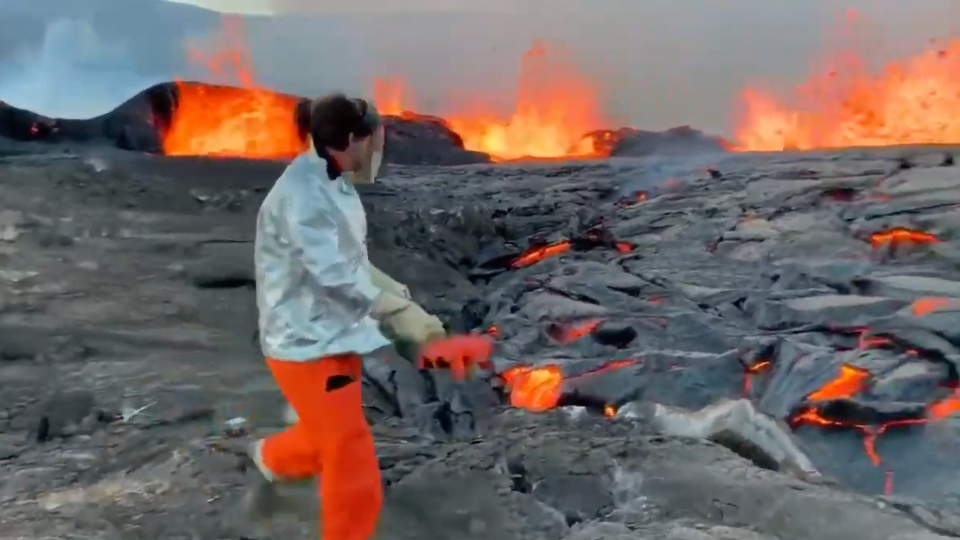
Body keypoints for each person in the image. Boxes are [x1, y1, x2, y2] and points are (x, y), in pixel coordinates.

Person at [245, 93, 491, 540]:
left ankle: (272, 458)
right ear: (353, 140)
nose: (379, 149)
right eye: (375, 140)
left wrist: (398, 296)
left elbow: (350, 261)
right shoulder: (304, 199)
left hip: (333, 333)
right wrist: (401, 314)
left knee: (326, 435)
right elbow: (334, 277)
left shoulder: (331, 182)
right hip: (305, 343)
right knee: (350, 451)